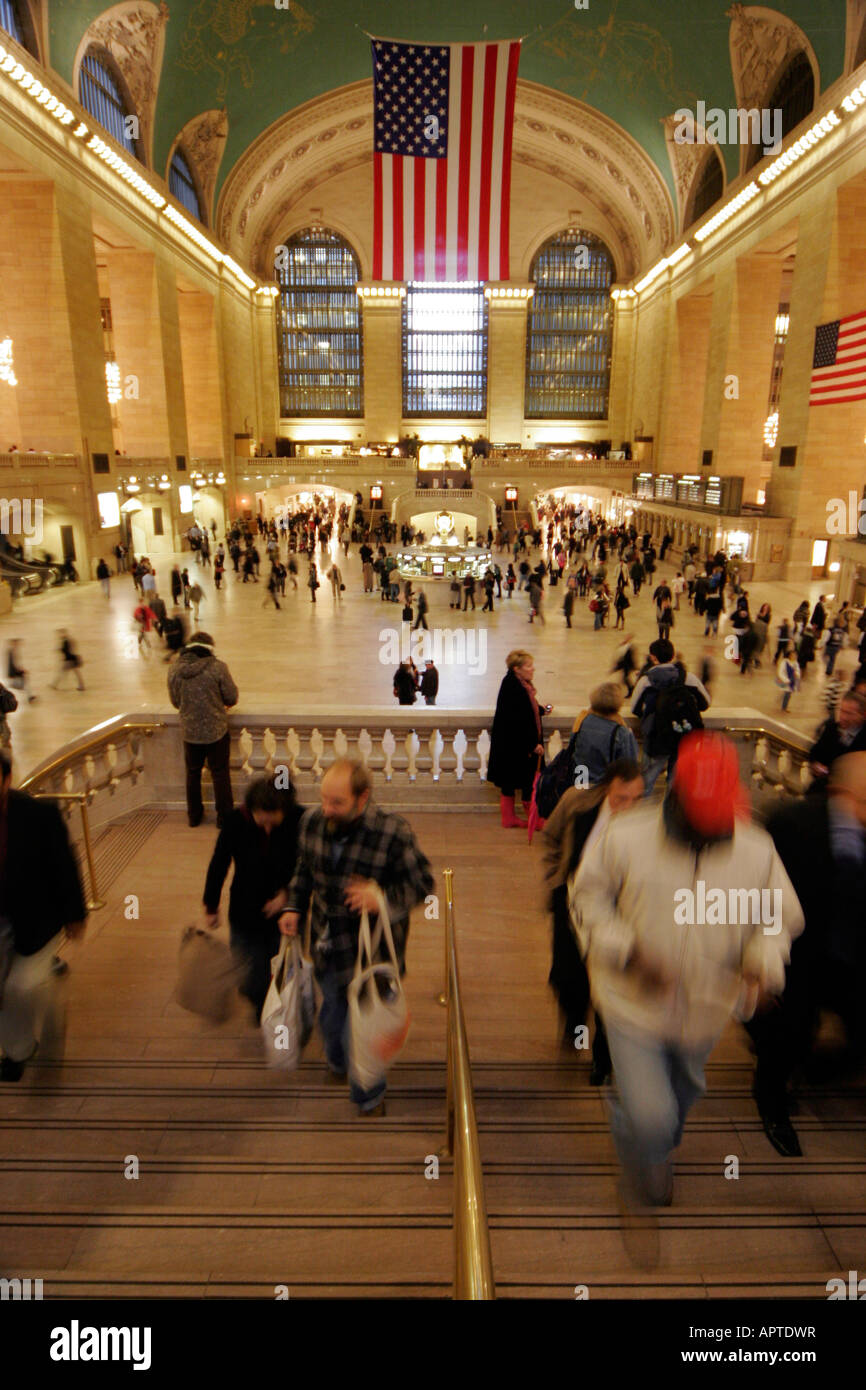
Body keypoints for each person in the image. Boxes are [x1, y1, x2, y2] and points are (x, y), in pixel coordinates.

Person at [571, 733, 803, 1254]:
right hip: (630, 1005)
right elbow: (587, 899)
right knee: (653, 1115)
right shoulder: (626, 836)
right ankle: (642, 1142)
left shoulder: (756, 849)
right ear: (676, 798)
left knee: (682, 1098)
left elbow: (779, 919)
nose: (713, 830)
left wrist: (762, 964)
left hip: (705, 1011)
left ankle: (652, 1137)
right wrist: (628, 951)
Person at [278, 759, 434, 1116]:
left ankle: (369, 1094)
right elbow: (303, 871)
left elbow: (423, 885)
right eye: (324, 799)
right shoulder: (311, 822)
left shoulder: (393, 833)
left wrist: (381, 899)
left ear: (362, 798)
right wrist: (294, 907)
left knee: (365, 1030)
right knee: (333, 1017)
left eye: (338, 802)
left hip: (373, 955)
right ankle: (337, 1061)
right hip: (327, 946)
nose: (327, 810)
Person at [748, 752, 866, 1156]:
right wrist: (759, 963)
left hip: (850, 959)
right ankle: (772, 1103)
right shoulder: (791, 824)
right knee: (786, 1038)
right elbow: (759, 895)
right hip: (798, 958)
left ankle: (816, 1069)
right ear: (842, 792)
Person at [543, 759, 643, 1076]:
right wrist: (555, 879)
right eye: (621, 798)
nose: (628, 806)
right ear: (605, 789)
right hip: (571, 904)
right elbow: (552, 835)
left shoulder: (644, 825)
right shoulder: (577, 801)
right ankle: (574, 1025)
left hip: (615, 913)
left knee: (609, 986)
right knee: (568, 976)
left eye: (636, 799)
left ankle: (603, 1060)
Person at [0, 749, 87, 1081]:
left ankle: (49, 994)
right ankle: (18, 1051)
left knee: (21, 986)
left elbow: (64, 865)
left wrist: (75, 915)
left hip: (36, 918)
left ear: (7, 780)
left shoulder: (38, 816)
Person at [202, 777, 304, 1021]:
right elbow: (219, 863)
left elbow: (307, 864)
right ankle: (261, 1004)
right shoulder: (235, 821)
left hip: (286, 912)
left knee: (283, 964)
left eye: (273, 822)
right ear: (252, 810)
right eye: (262, 821)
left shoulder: (299, 820)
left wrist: (287, 894)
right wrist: (211, 905)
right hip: (245, 907)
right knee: (249, 972)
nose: (267, 828)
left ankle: (279, 1011)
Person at [167, 632, 239, 828]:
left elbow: (175, 701)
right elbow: (231, 697)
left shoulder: (174, 670)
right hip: (216, 730)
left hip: (190, 731)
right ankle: (224, 818)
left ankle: (194, 816)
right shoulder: (217, 667)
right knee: (220, 773)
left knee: (192, 773)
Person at [631, 639, 710, 793]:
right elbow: (705, 703)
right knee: (676, 782)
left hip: (656, 736)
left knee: (647, 780)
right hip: (683, 736)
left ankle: (644, 805)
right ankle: (670, 806)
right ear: (673, 656)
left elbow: (635, 709)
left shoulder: (646, 681)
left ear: (653, 657)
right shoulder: (688, 678)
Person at [488, 650, 551, 828]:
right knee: (529, 782)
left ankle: (509, 818)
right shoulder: (515, 687)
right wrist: (532, 745)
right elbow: (517, 720)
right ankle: (535, 821)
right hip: (519, 746)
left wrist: (541, 710)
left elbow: (525, 709)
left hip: (510, 745)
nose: (533, 669)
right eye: (529, 666)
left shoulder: (514, 683)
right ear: (517, 668)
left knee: (509, 782)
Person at [569, 683, 639, 786]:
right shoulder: (621, 732)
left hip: (580, 783)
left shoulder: (583, 721)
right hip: (603, 787)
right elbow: (629, 767)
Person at [807, 692, 866, 788]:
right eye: (841, 711)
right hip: (821, 787)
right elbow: (815, 752)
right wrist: (816, 765)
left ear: (863, 715)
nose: (843, 717)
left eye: (849, 713)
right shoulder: (832, 727)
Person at [776, 643, 800, 712]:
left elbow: (798, 671)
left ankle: (782, 701)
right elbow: (780, 672)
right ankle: (784, 707)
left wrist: (797, 674)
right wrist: (785, 679)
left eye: (795, 655)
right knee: (787, 693)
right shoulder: (784, 662)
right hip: (785, 681)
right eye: (793, 655)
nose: (794, 656)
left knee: (788, 693)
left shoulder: (795, 663)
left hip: (792, 681)